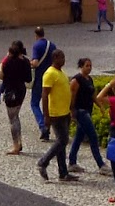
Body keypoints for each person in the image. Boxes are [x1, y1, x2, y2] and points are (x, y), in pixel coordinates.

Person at [36, 48, 77, 181]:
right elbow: (44, 95)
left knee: (63, 142)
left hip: (64, 112)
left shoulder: (61, 73)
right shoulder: (49, 74)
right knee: (62, 140)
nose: (64, 60)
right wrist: (46, 116)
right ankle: (43, 162)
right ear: (55, 58)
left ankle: (63, 172)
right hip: (55, 113)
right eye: (61, 57)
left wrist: (70, 109)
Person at [67, 56, 105, 172]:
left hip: (88, 110)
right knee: (93, 136)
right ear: (81, 66)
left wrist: (100, 106)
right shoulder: (76, 80)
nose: (89, 68)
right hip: (81, 111)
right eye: (86, 66)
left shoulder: (89, 79)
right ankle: (101, 164)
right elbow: (72, 97)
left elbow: (93, 94)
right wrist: (72, 111)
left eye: (90, 66)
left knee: (78, 137)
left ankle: (72, 162)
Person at [0, 39, 32, 154]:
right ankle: (19, 142)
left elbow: (1, 75)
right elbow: (29, 79)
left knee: (12, 119)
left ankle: (16, 145)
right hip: (21, 90)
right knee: (16, 116)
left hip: (11, 92)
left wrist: (2, 65)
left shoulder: (8, 61)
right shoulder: (26, 61)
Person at [30, 26, 54, 141]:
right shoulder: (52, 45)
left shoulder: (36, 45)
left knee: (34, 103)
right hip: (52, 77)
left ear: (36, 35)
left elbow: (34, 63)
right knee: (48, 103)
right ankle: (49, 125)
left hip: (40, 78)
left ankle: (43, 126)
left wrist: (30, 63)